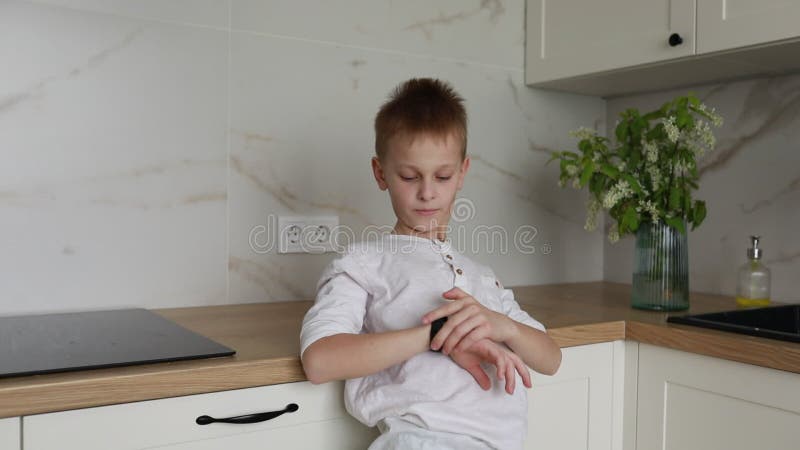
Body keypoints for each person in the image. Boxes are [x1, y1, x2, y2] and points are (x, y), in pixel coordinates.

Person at [300, 78, 562, 449]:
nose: (427, 192)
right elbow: (320, 361)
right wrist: (437, 334)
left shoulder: (482, 277)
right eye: (409, 177)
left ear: (463, 173)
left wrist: (503, 326)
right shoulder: (363, 263)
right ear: (380, 174)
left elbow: (551, 359)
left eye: (442, 176)